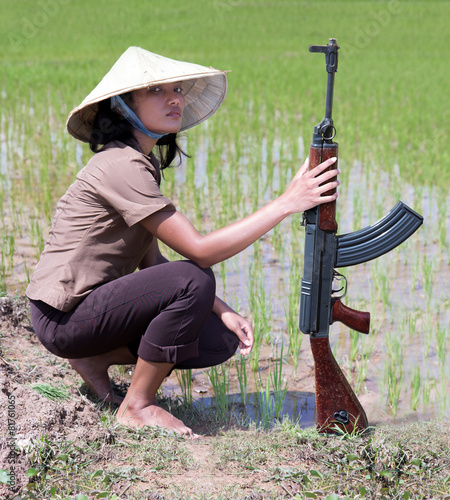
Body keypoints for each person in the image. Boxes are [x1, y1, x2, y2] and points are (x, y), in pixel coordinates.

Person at [26, 47, 339, 438]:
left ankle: (95, 357)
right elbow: (199, 252)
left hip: (84, 315)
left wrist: (222, 310)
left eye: (177, 89)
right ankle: (137, 406)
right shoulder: (119, 164)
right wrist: (287, 203)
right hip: (63, 316)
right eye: (157, 90)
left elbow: (152, 263)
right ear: (122, 105)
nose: (175, 98)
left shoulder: (141, 163)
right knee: (195, 278)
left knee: (217, 338)